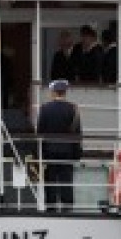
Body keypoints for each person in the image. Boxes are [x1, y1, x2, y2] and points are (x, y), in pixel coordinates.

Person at [36, 79, 82, 211]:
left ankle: (50, 206)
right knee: (66, 180)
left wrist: (41, 153)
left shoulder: (45, 109)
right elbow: (77, 133)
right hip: (67, 151)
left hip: (49, 151)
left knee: (50, 180)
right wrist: (77, 153)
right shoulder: (73, 109)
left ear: (53, 92)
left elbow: (40, 132)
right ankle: (67, 207)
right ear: (65, 92)